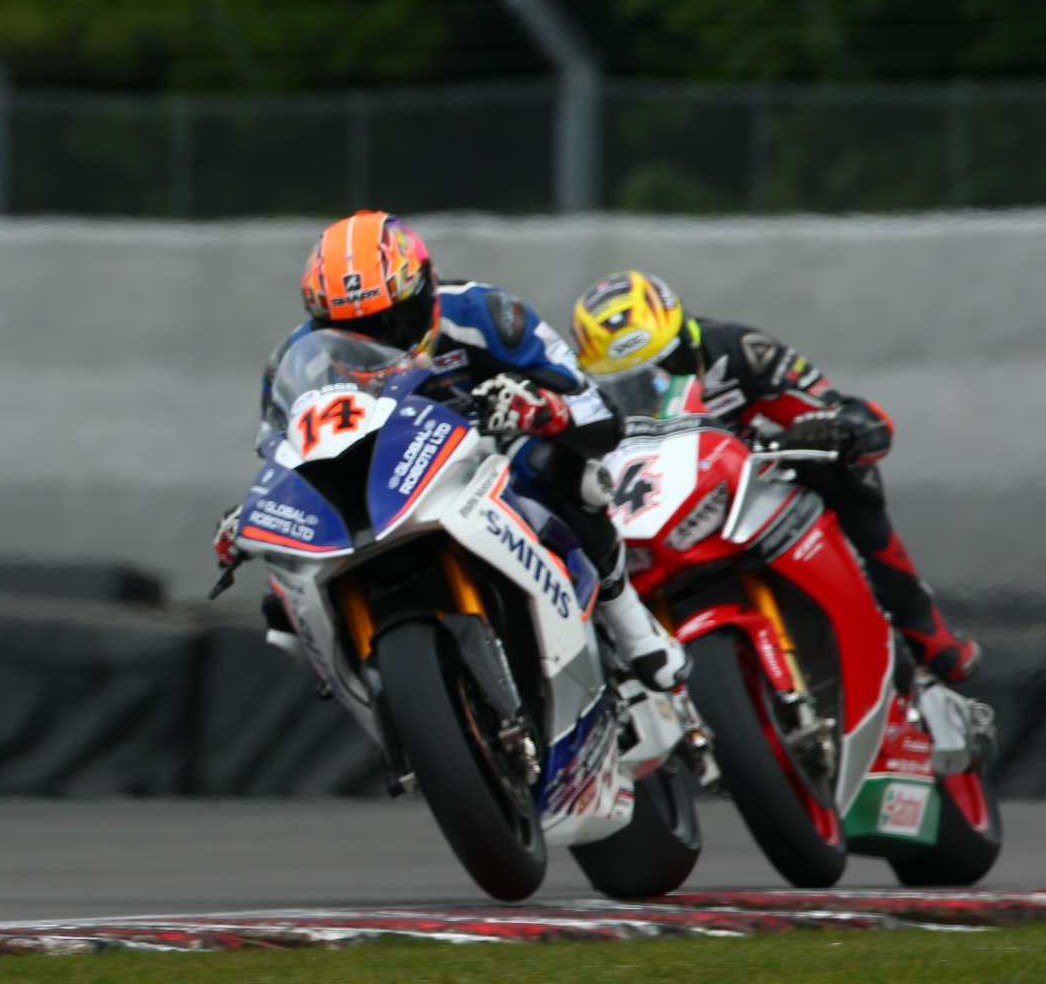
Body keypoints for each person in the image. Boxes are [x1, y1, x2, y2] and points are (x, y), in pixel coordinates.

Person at [216, 210, 690, 688]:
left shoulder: (487, 314)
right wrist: (259, 509)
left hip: (488, 461)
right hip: (373, 493)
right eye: (351, 328)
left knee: (570, 474)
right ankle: (376, 703)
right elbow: (282, 450)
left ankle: (630, 624)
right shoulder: (298, 362)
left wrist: (543, 410)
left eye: (390, 320)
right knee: (280, 607)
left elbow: (598, 414)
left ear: (426, 287)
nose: (376, 339)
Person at [570, 269, 979, 683]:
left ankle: (919, 621)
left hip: (748, 487)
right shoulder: (581, 408)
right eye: (624, 385)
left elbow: (826, 404)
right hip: (654, 515)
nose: (652, 386)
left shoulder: (739, 350)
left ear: (687, 338)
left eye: (666, 365)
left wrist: (840, 427)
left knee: (848, 476)